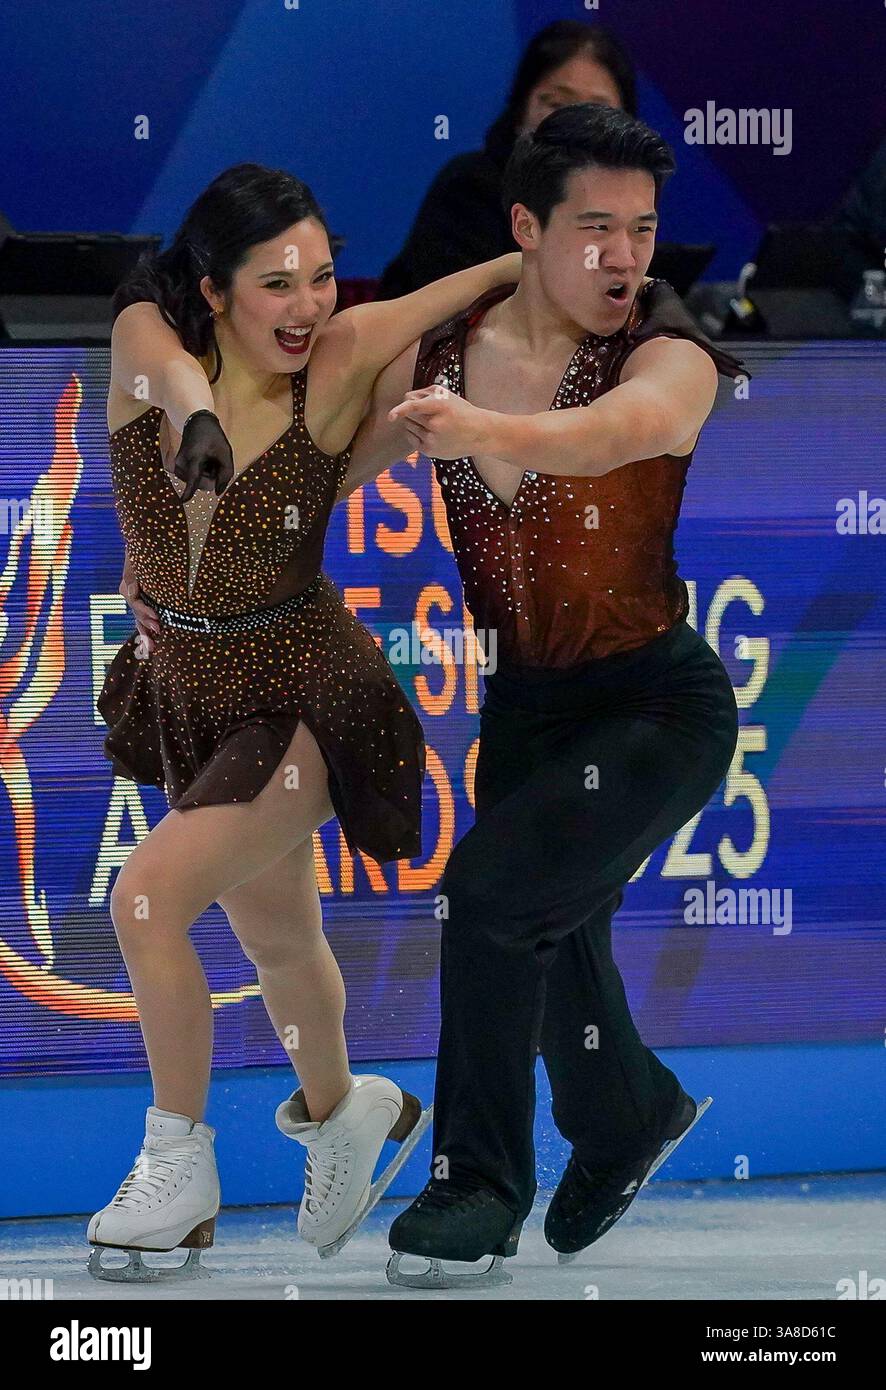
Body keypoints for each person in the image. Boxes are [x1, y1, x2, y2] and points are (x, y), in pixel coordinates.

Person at [89, 161, 522, 1281]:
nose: (308, 305)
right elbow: (171, 375)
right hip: (189, 691)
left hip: (305, 697)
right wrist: (197, 424)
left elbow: (437, 302)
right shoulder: (145, 335)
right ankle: (343, 1112)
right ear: (213, 285)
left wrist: (541, 254)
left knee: (145, 898)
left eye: (321, 276)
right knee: (276, 937)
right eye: (276, 283)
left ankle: (178, 1162)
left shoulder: (329, 374)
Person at [340, 104, 748, 1288]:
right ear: (526, 227)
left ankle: (477, 1184)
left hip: (654, 706)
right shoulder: (443, 355)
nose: (627, 256)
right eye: (596, 228)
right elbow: (329, 474)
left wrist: (482, 424)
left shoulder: (660, 351)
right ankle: (629, 1112)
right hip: (525, 708)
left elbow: (632, 431)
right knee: (545, 924)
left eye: (645, 227)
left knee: (488, 897)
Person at [374, 20, 636, 298]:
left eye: (598, 110)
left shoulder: (632, 199)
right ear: (521, 110)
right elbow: (455, 312)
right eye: (556, 104)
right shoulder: (469, 186)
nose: (576, 124)